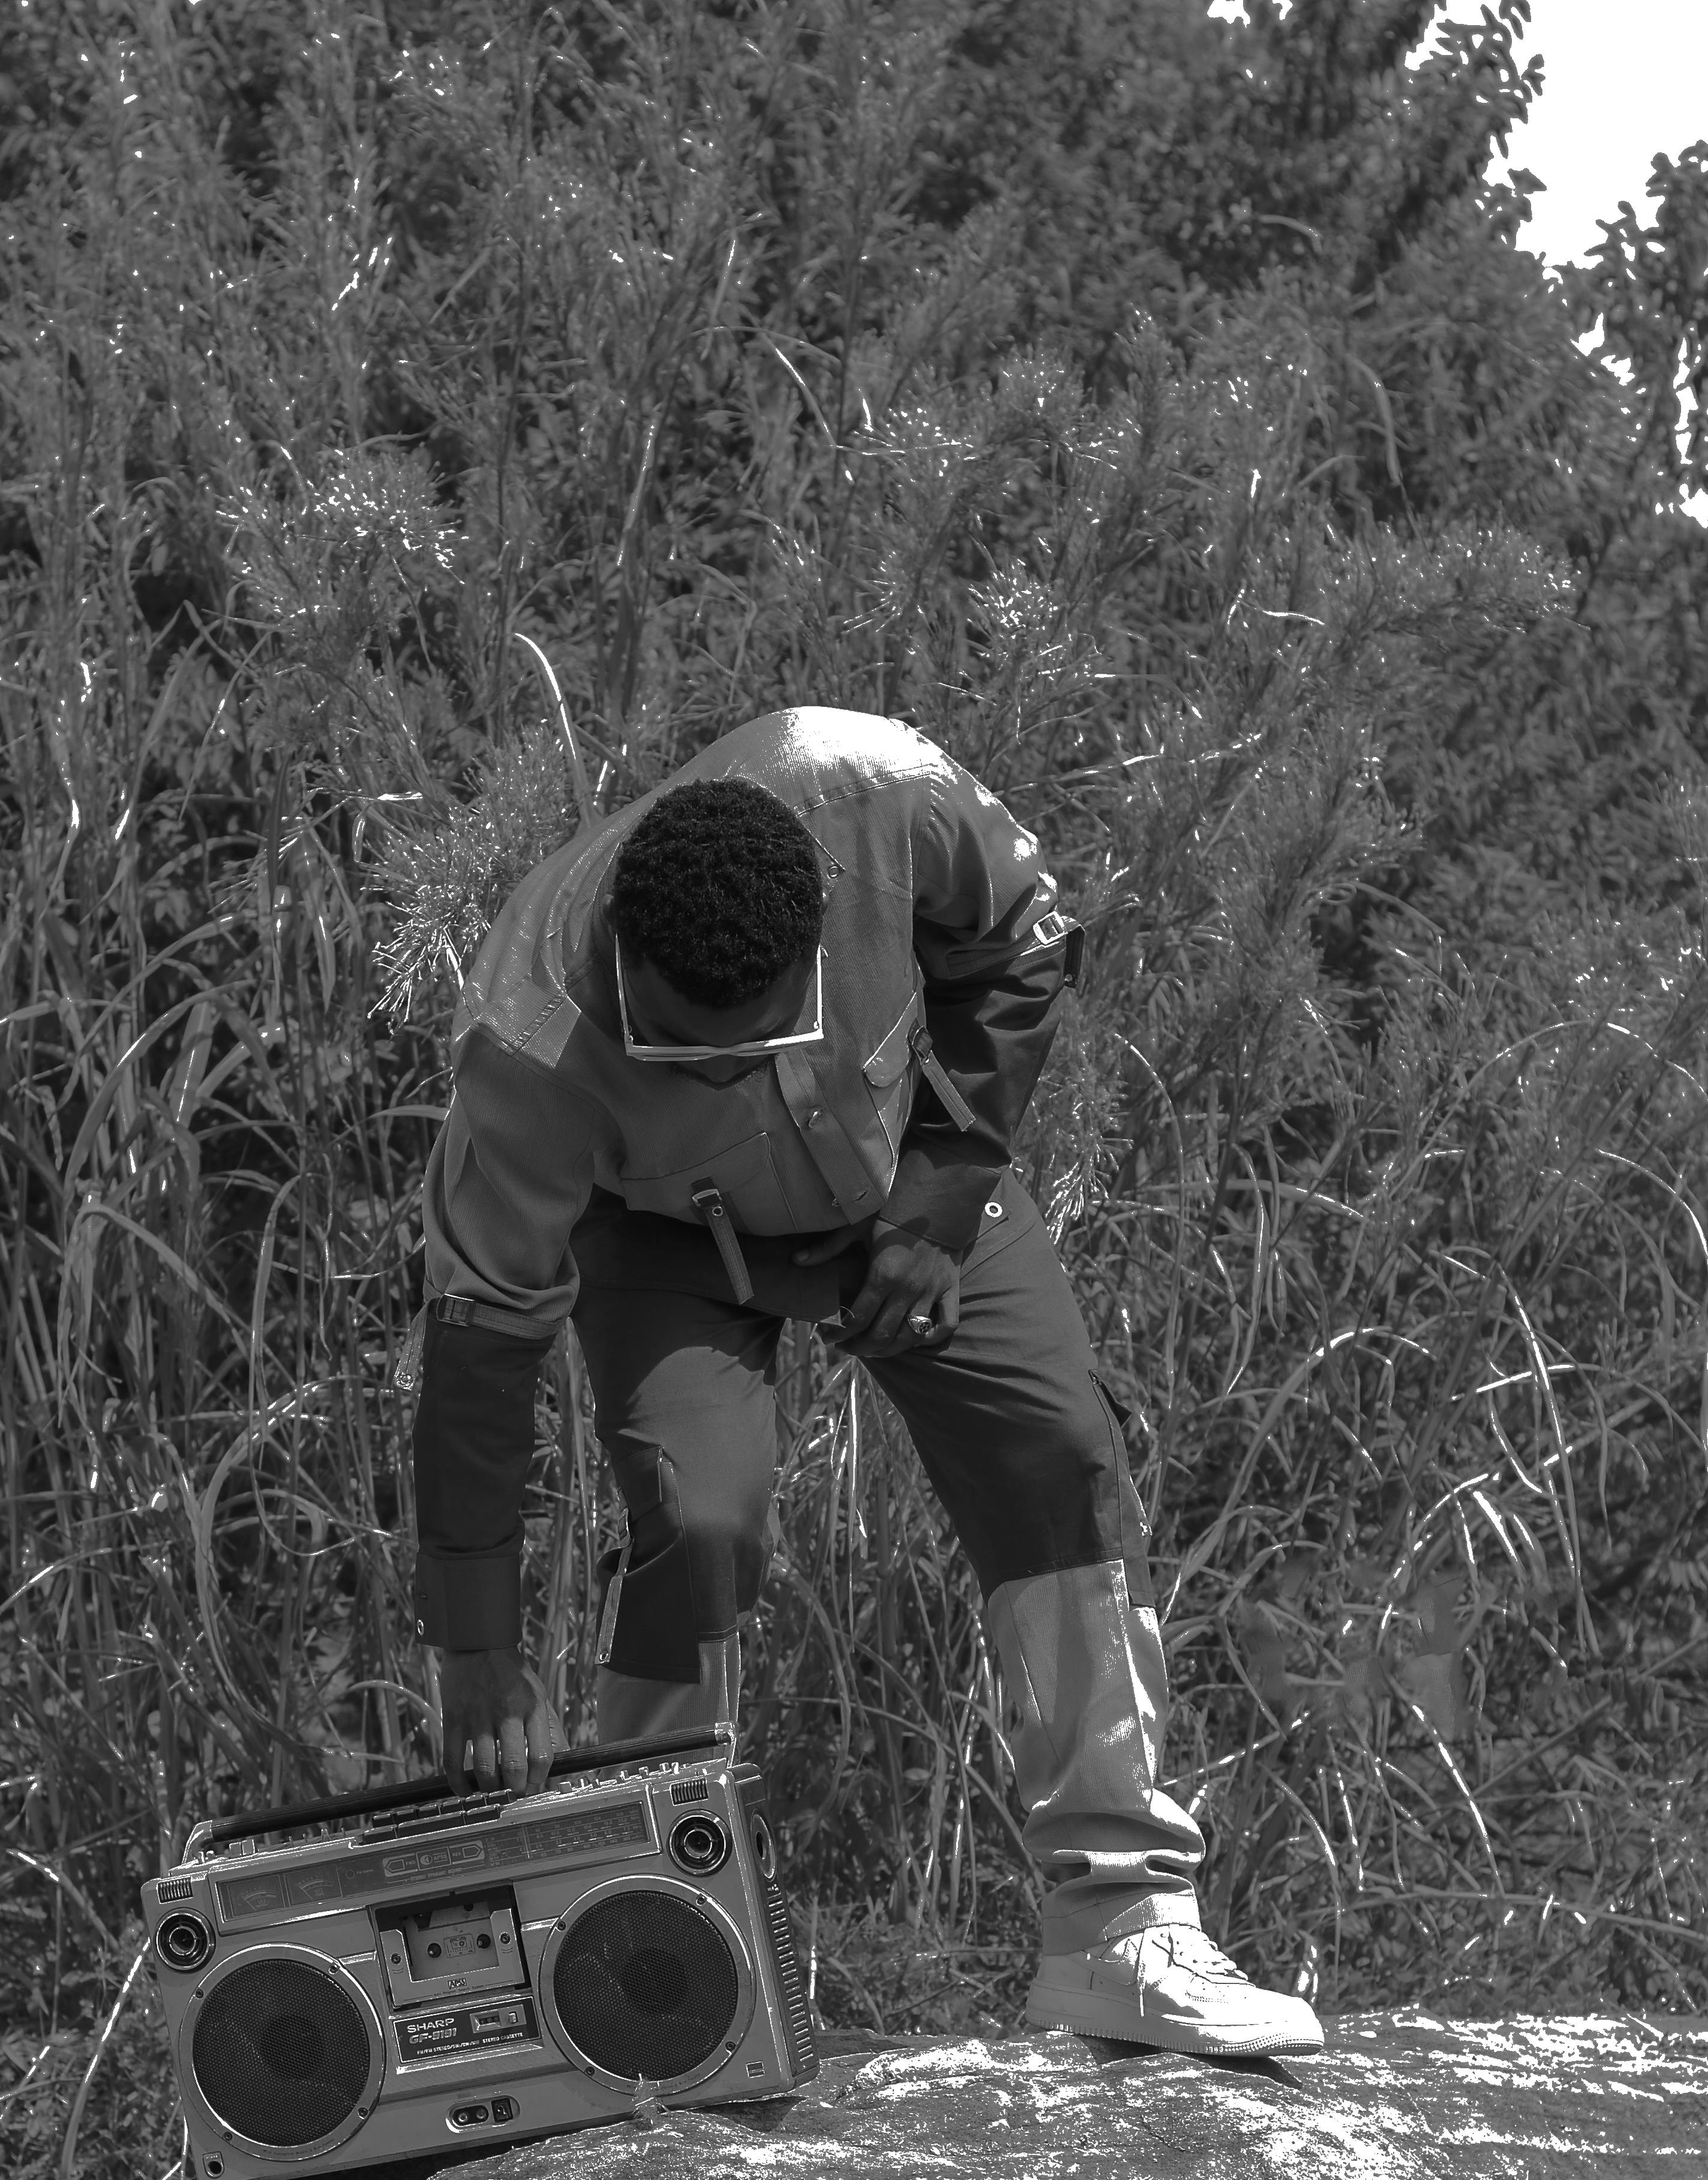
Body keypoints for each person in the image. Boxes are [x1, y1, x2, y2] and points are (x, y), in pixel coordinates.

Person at [408, 706, 1323, 2059]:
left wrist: (941, 1199)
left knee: (1059, 1452)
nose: (733, 1073)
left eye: (764, 1035)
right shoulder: (526, 1043)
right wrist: (479, 1652)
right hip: (663, 1242)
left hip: (908, 1184)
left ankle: (1119, 1926)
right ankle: (648, 1941)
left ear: (821, 937)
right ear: (624, 976)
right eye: (689, 1055)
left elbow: (1024, 943)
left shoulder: (880, 790)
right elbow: (479, 1354)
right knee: (700, 1521)